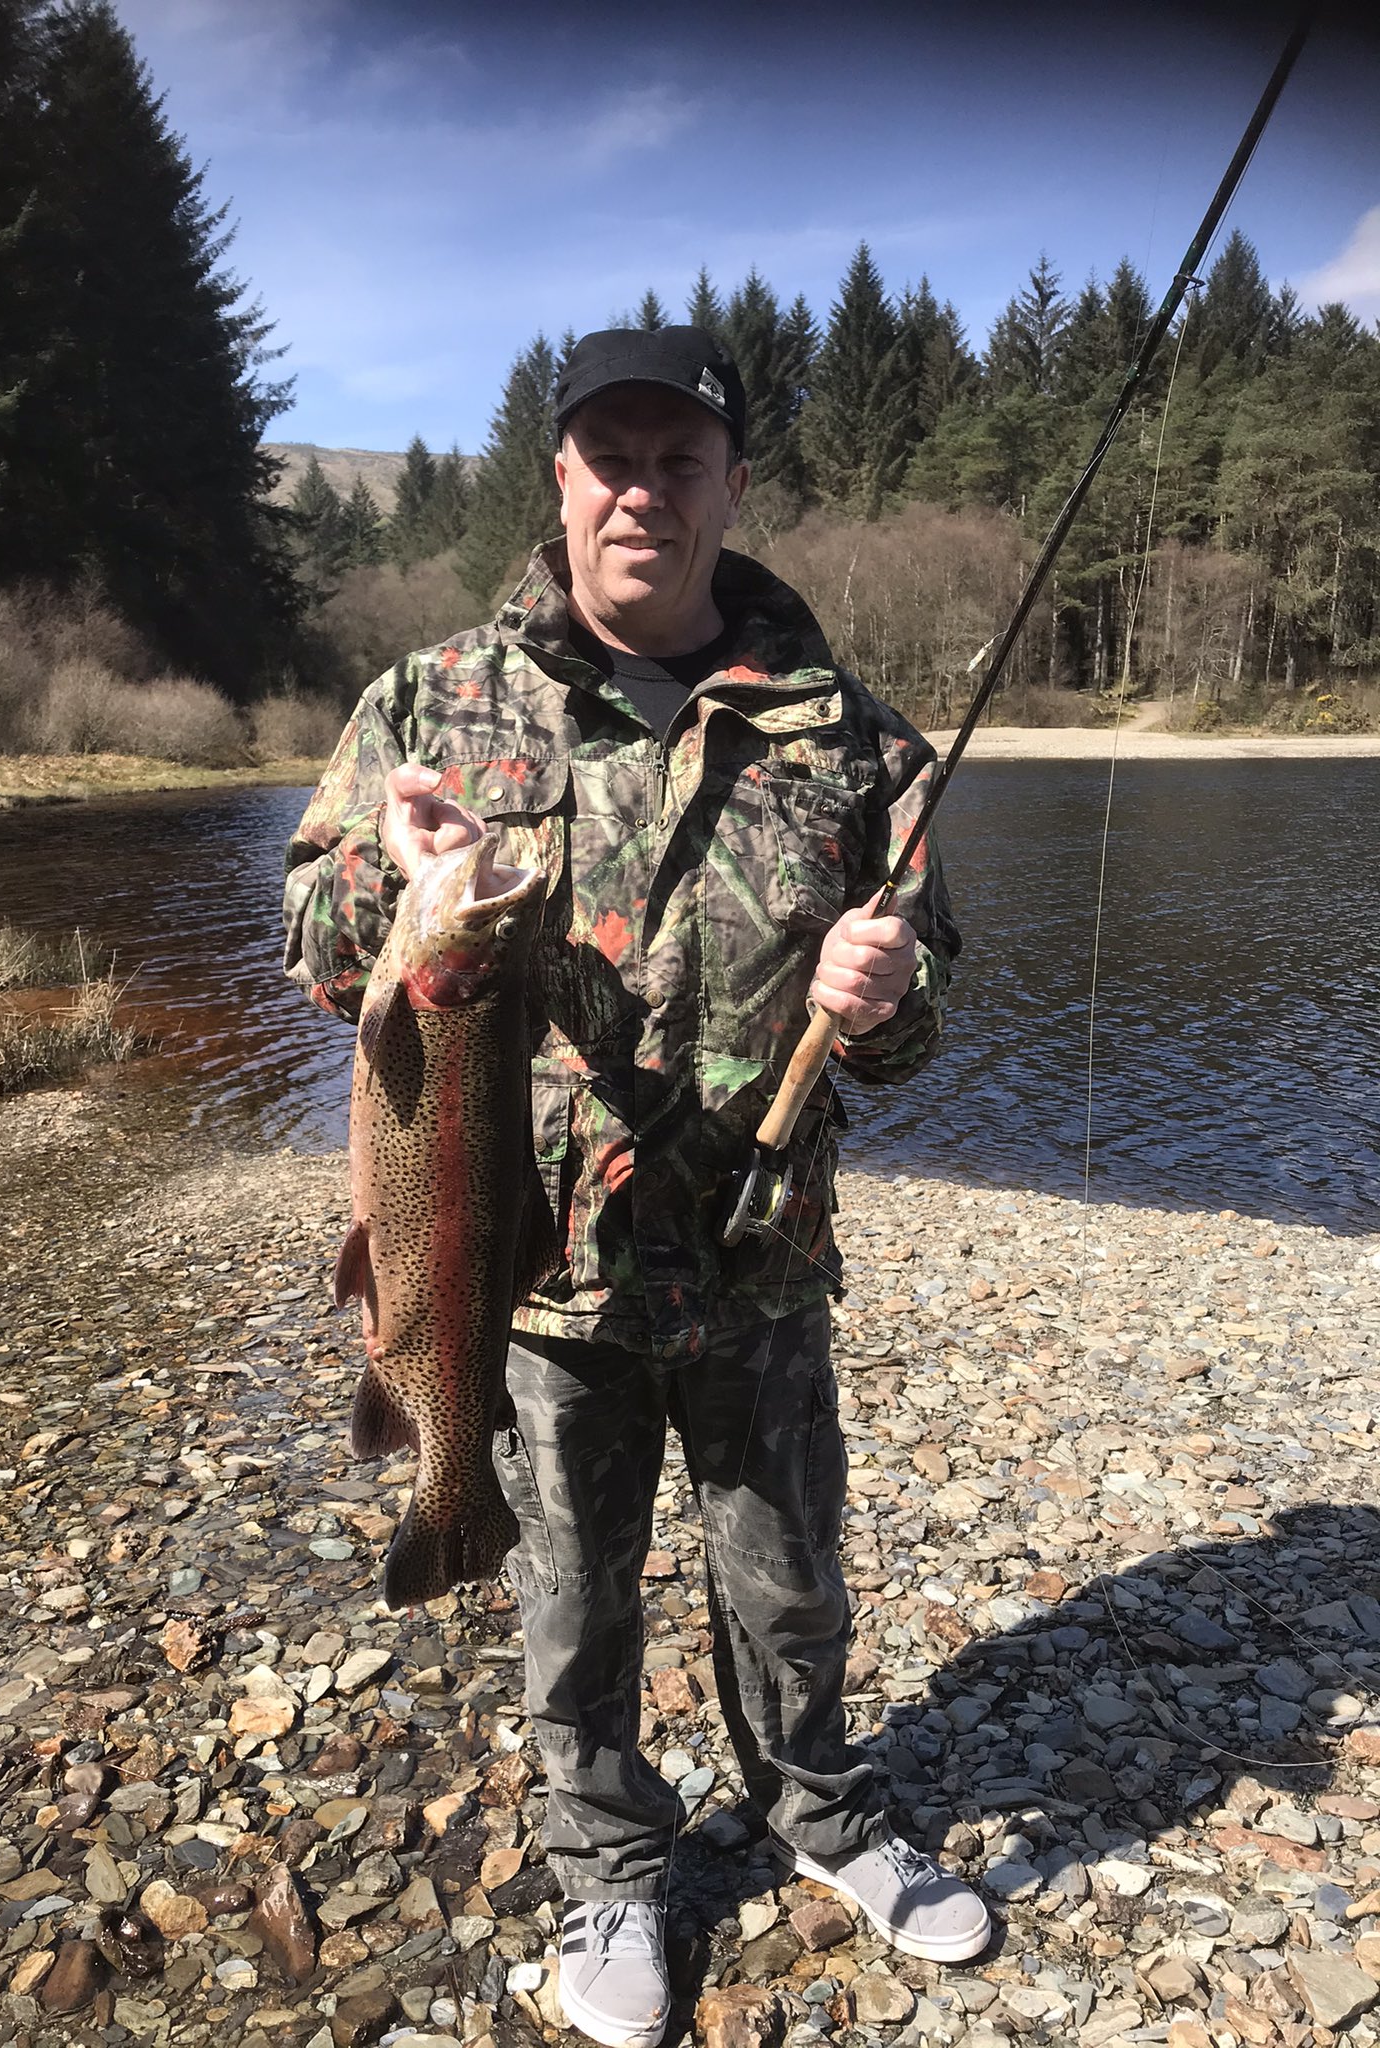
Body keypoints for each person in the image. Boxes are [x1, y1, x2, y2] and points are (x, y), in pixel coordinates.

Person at [283, 326, 990, 2048]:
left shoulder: (852, 739)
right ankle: (610, 1862)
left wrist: (887, 1006)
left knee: (791, 1579)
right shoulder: (433, 702)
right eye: (612, 457)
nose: (643, 492)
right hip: (524, 1271)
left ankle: (820, 1808)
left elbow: (928, 1003)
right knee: (571, 1596)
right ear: (561, 480)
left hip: (758, 1261)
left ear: (732, 486)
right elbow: (312, 942)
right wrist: (395, 875)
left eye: (681, 461)